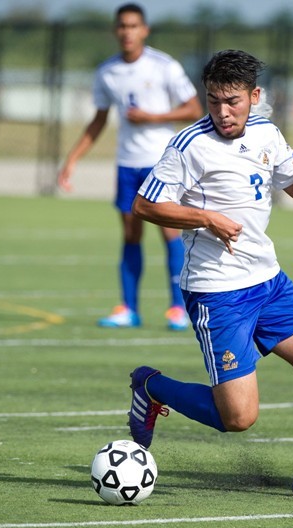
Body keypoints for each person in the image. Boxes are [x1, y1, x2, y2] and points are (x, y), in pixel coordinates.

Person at [127, 49, 293, 502]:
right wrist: (206, 218)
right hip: (217, 293)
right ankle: (150, 385)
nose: (222, 111)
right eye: (213, 100)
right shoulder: (188, 145)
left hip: (269, 282)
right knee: (237, 418)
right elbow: (144, 205)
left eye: (232, 100)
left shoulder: (267, 133)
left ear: (254, 96)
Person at [57, 3, 203, 330]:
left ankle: (178, 309)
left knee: (170, 232)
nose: (127, 32)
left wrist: (153, 117)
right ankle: (129, 308)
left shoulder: (164, 66)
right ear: (115, 30)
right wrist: (72, 159)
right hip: (127, 165)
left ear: (145, 30)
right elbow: (98, 120)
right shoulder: (107, 72)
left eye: (133, 25)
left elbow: (194, 108)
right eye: (122, 26)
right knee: (130, 234)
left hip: (162, 163)